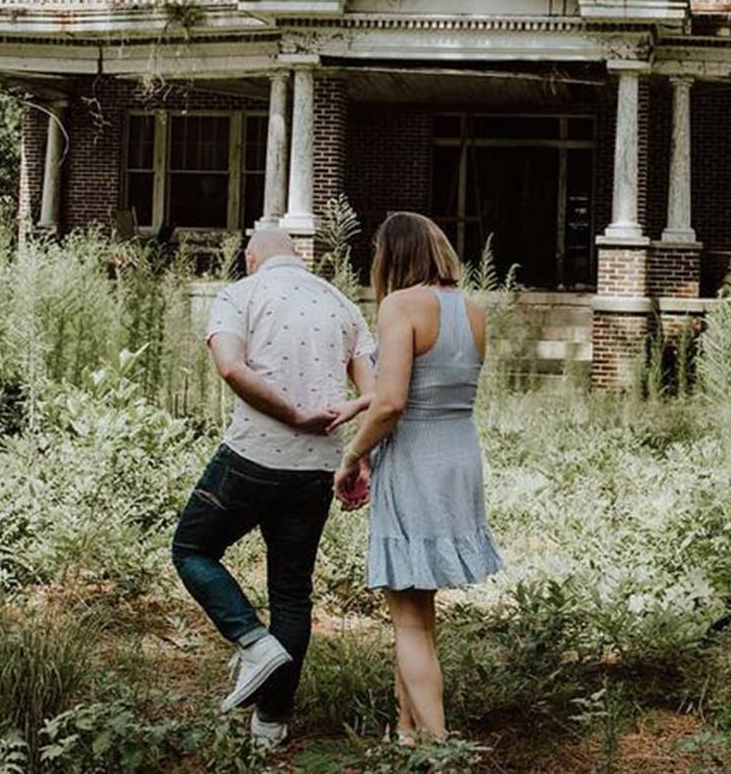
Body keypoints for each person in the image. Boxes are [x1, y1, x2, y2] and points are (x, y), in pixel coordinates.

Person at [170, 225, 374, 749]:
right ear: (298, 257)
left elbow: (232, 369)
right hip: (319, 467)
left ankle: (252, 642)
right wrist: (360, 460)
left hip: (254, 456)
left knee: (193, 547)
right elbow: (372, 394)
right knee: (291, 590)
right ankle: (270, 724)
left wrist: (294, 414)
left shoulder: (241, 293)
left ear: (251, 257)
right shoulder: (342, 303)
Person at [333, 211, 503, 742]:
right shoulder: (472, 309)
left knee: (408, 619)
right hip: (458, 456)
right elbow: (437, 383)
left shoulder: (399, 305)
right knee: (419, 611)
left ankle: (438, 745)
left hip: (413, 461)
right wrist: (365, 398)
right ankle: (405, 730)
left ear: (393, 256)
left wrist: (351, 456)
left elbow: (394, 403)